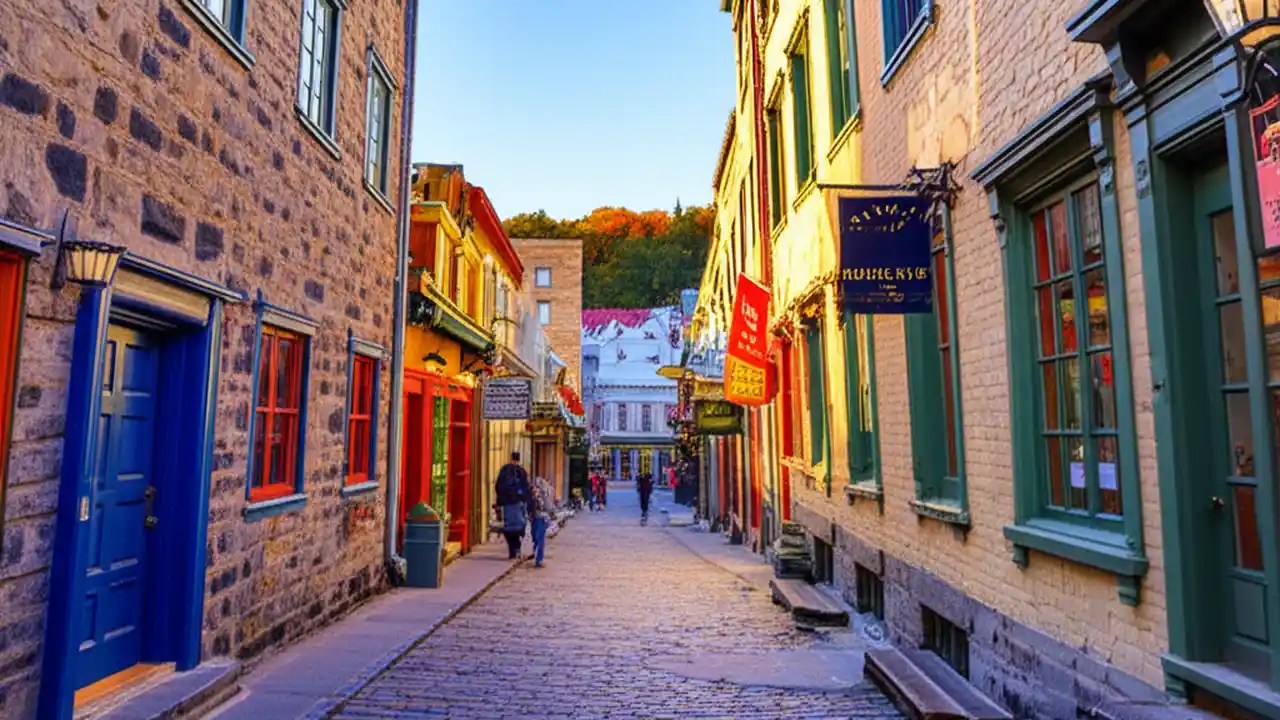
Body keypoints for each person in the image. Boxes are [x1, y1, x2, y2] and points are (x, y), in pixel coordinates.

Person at [495, 451, 531, 560]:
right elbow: (526, 487)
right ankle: (516, 548)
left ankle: (512, 550)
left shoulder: (504, 470)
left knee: (508, 528)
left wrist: (500, 501)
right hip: (518, 503)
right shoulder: (521, 471)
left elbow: (498, 486)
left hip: (507, 504)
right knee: (518, 527)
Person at [529, 475, 554, 567]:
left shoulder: (544, 495)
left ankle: (539, 558)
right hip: (536, 518)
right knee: (536, 536)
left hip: (541, 518)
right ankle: (536, 553)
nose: (536, 487)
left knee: (539, 538)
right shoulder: (533, 494)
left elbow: (548, 507)